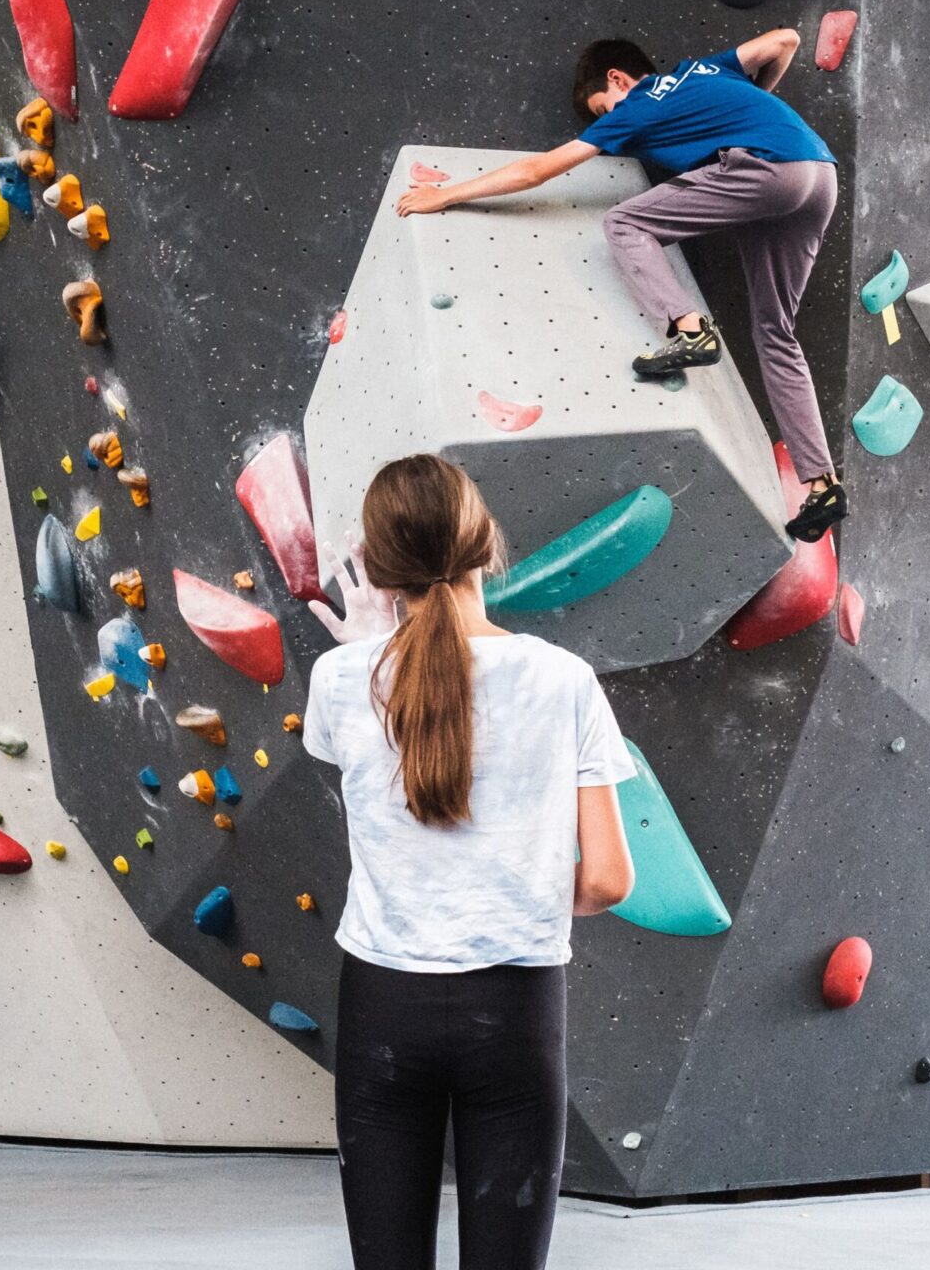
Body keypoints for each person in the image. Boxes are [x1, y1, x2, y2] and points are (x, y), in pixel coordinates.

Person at [304, 453, 636, 1270]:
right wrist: (516, 889)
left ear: (382, 571)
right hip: (515, 1010)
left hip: (382, 1008)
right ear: (485, 544)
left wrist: (369, 652)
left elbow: (395, 728)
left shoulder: (339, 679)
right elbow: (607, 880)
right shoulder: (565, 681)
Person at [394, 31, 845, 545]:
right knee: (777, 333)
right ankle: (822, 484)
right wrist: (753, 109)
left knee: (625, 223)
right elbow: (786, 40)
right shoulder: (708, 68)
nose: (606, 119)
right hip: (819, 175)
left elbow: (537, 171)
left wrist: (447, 195)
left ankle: (690, 330)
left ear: (618, 79)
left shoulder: (638, 105)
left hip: (766, 170)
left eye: (601, 107)